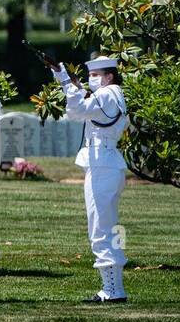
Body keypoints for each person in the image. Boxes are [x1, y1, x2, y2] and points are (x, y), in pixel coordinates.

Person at [52, 55, 129, 303]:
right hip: (107, 162)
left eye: (96, 75)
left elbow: (76, 111)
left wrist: (66, 82)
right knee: (110, 225)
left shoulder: (107, 94)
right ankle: (115, 286)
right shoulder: (114, 94)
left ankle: (112, 290)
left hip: (103, 164)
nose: (91, 79)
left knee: (100, 227)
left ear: (109, 77)